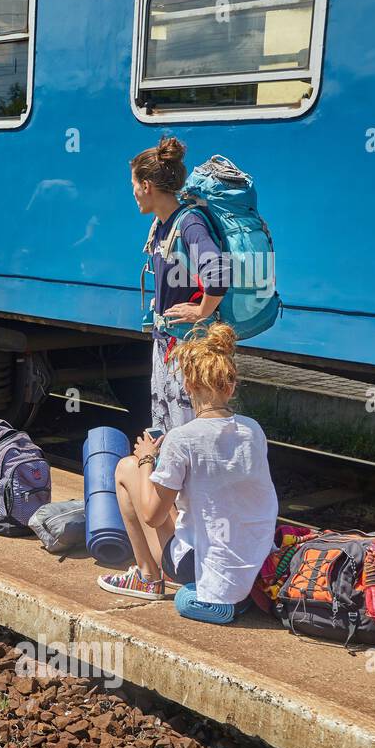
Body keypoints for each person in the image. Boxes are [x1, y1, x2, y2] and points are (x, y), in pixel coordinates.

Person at [98, 323, 278, 624]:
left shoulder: (183, 438)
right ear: (231, 387)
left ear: (188, 386)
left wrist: (147, 460)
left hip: (204, 562)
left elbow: (153, 516)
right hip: (254, 557)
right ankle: (237, 595)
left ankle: (147, 577)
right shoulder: (253, 430)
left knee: (125, 468)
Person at [132, 135, 229, 434]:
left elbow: (218, 271)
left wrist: (201, 311)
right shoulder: (163, 225)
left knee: (185, 435)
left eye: (134, 185)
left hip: (188, 352)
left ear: (147, 186)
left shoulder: (189, 223)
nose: (133, 192)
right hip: (166, 346)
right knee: (166, 434)